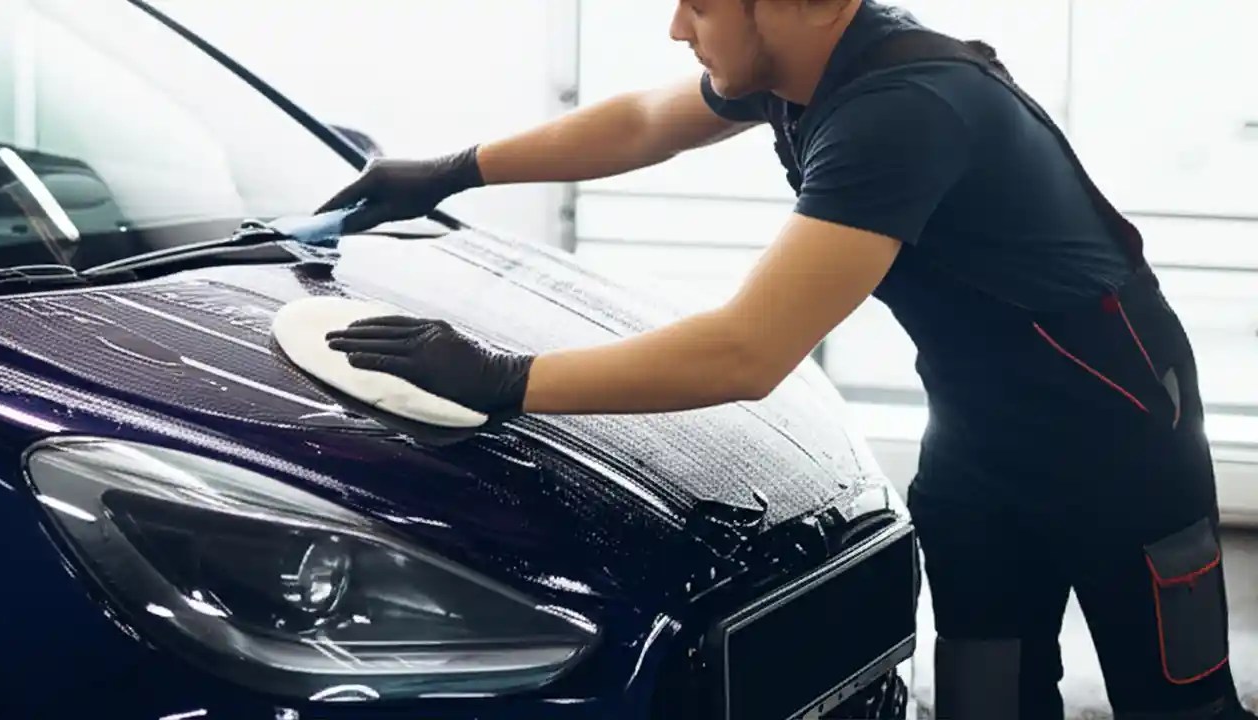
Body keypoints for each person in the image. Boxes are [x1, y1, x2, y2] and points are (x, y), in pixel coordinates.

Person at [317, 1, 1255, 718]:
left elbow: (745, 350)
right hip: (978, 443)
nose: (676, 24)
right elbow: (645, 121)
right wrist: (450, 170)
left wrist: (506, 379)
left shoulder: (907, 109)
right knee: (984, 698)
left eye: (701, 1)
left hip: (1122, 442)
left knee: (1180, 703)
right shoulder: (803, 70)